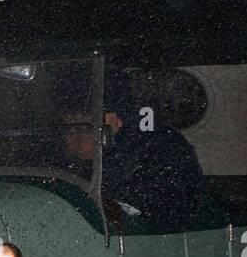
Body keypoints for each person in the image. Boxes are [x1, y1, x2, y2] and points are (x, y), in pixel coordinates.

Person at [52, 65, 203, 226]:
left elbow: (167, 214)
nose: (77, 140)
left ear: (115, 119)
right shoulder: (62, 163)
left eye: (85, 128)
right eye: (69, 130)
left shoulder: (158, 150)